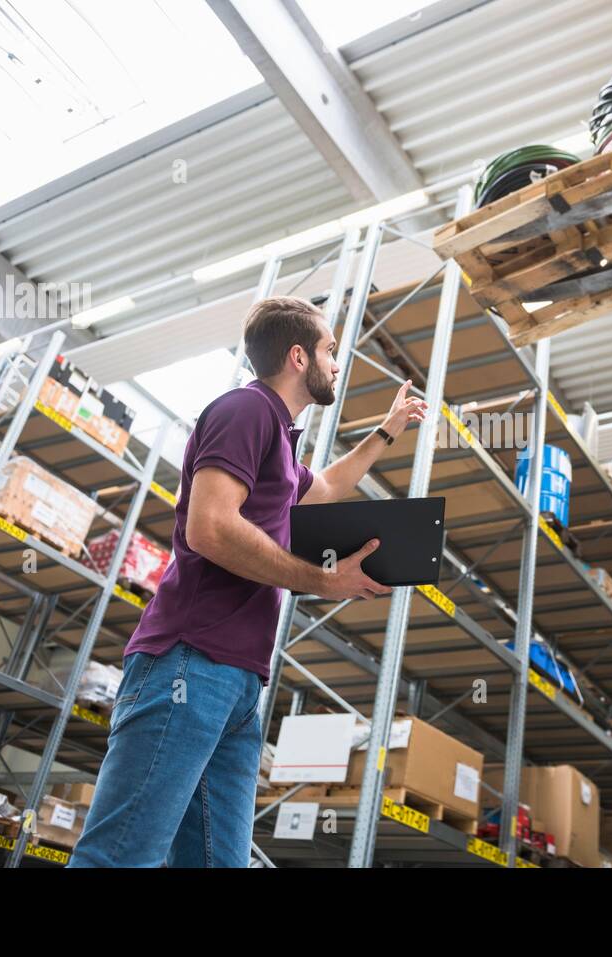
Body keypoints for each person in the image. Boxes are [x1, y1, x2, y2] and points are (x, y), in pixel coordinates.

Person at [67, 295, 427, 867]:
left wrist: (385, 432)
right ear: (298, 357)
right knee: (120, 857)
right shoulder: (246, 410)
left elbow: (325, 489)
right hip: (188, 662)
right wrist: (322, 581)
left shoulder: (279, 439)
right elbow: (210, 528)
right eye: (331, 350)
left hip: (236, 684)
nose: (339, 362)